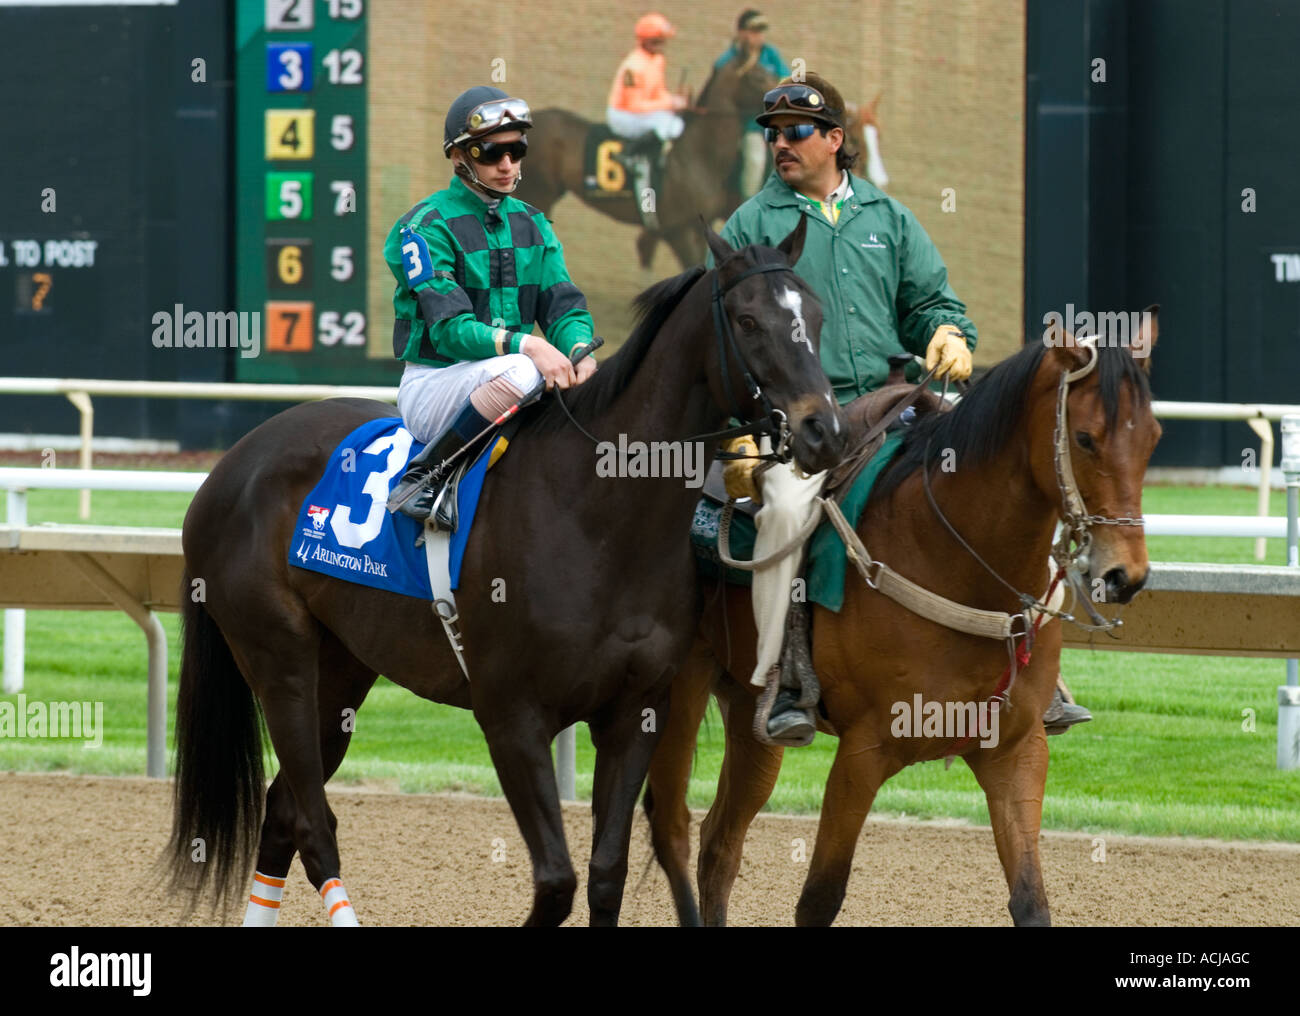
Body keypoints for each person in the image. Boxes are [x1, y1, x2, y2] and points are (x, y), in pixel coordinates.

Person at [715, 73, 1088, 742]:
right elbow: (729, 339)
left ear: (836, 139)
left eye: (797, 132)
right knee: (788, 511)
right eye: (772, 134)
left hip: (899, 403)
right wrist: (740, 437)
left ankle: (1039, 667)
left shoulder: (889, 219)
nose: (781, 145)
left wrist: (948, 335)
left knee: (1004, 480)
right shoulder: (751, 223)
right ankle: (783, 679)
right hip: (803, 423)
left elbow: (932, 305)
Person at [384, 86, 598, 523]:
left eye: (516, 150)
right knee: (525, 368)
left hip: (504, 380)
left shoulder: (534, 224)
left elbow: (562, 306)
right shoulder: (423, 227)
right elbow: (449, 329)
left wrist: (578, 350)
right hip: (434, 384)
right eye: (490, 152)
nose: (507, 165)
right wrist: (531, 346)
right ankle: (425, 475)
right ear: (459, 156)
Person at [606, 11, 689, 194]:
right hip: (623, 115)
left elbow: (658, 93)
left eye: (663, 40)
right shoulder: (633, 66)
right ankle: (628, 155)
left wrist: (675, 102)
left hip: (643, 112)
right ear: (646, 41)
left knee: (677, 122)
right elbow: (635, 106)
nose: (663, 45)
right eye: (659, 40)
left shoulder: (658, 60)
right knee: (668, 125)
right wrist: (670, 103)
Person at [712, 9, 789, 198]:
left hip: (773, 122)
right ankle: (750, 205)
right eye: (753, 31)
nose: (758, 36)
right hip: (747, 122)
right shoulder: (729, 59)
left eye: (761, 32)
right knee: (755, 159)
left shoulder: (770, 54)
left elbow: (786, 79)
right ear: (741, 33)